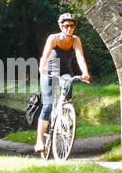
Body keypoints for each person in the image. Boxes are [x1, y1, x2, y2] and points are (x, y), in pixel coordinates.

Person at [35, 12, 91, 153]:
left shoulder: (75, 40)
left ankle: (65, 113)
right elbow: (45, 55)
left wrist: (85, 73)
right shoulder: (53, 38)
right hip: (49, 72)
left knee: (68, 85)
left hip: (65, 72)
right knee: (47, 106)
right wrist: (42, 67)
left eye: (72, 26)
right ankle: (39, 141)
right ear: (61, 26)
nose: (69, 28)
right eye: (66, 25)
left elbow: (80, 57)